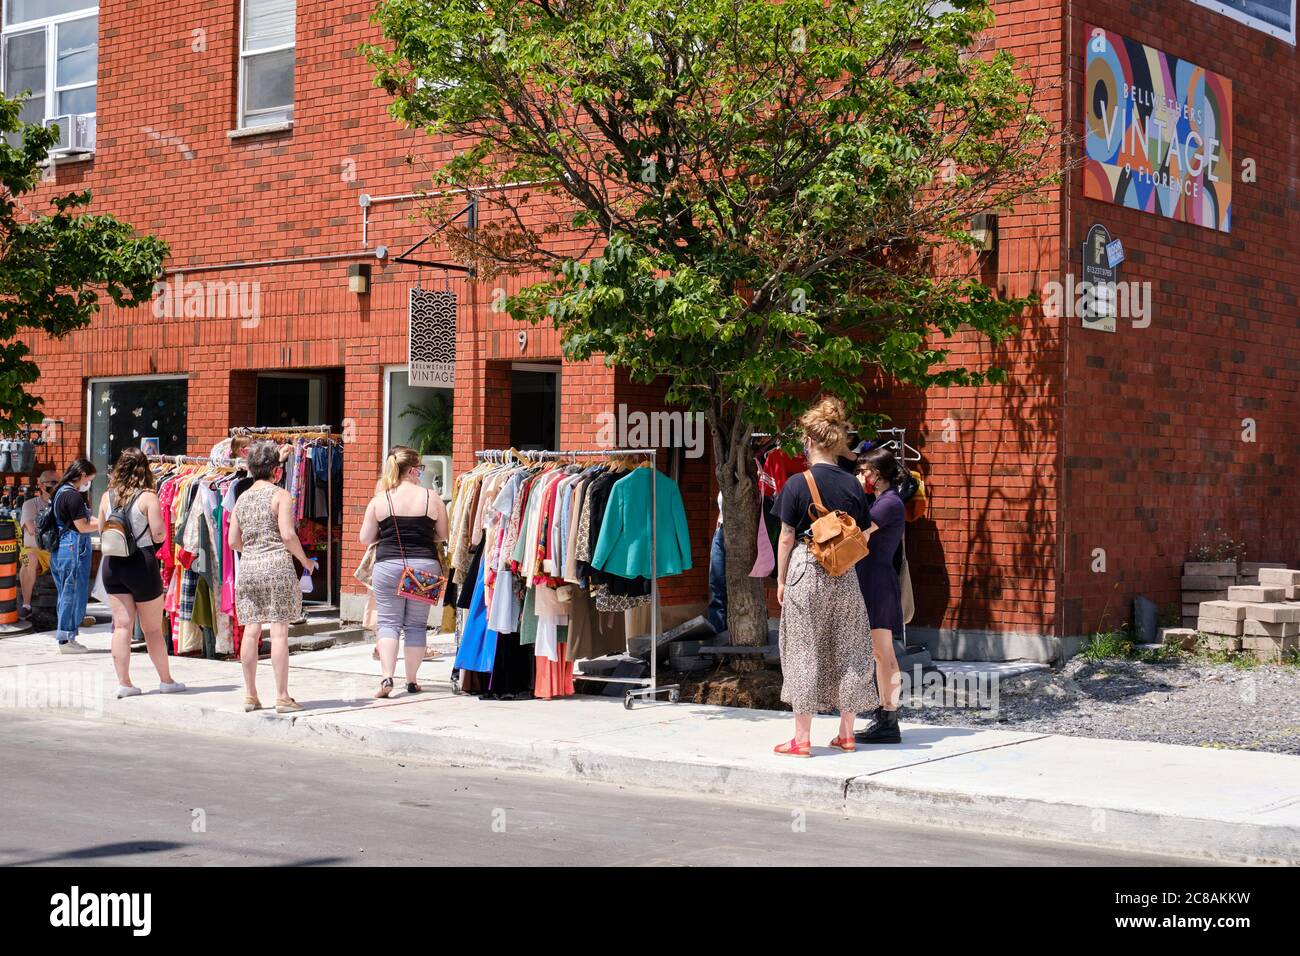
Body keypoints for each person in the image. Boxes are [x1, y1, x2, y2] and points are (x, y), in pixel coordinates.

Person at [772, 397, 876, 757]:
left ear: (809, 443)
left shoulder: (797, 484)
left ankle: (802, 738)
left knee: (802, 649)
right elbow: (862, 532)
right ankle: (846, 733)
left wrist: (782, 580)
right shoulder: (852, 485)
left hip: (805, 568)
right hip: (845, 573)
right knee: (851, 649)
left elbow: (786, 536)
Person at [229, 440, 318, 714]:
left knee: (251, 630)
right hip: (277, 565)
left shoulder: (242, 497)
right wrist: (305, 561)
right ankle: (281, 695)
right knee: (279, 632)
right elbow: (288, 535)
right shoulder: (280, 495)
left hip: (250, 567)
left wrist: (254, 551)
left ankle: (250, 695)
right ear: (277, 471)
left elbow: (233, 540)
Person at [359, 446, 449, 698]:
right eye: (419, 469)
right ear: (411, 470)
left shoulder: (380, 499)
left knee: (388, 623)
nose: (420, 473)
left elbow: (365, 537)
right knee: (416, 626)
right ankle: (411, 680)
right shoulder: (432, 497)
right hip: (424, 565)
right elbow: (443, 535)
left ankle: (387, 677)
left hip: (387, 565)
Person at [96, 448, 186, 699]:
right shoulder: (148, 497)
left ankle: (124, 683)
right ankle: (165, 681)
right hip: (140, 563)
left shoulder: (107, 497)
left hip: (113, 564)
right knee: (152, 629)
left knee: (122, 627)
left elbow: (102, 530)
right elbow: (158, 534)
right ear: (144, 468)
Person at [853, 447, 906, 744]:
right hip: (874, 579)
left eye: (866, 472)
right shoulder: (884, 501)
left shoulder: (888, 504)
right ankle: (887, 714)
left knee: (882, 653)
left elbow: (859, 532)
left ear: (879, 475)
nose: (862, 477)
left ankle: (888, 718)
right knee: (884, 653)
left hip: (876, 582)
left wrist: (858, 495)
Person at [49, 459, 99, 653]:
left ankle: (66, 636)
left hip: (61, 549)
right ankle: (66, 639)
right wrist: (105, 523)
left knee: (65, 593)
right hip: (73, 550)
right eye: (90, 479)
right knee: (72, 594)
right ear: (83, 476)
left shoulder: (60, 493)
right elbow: (83, 526)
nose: (89, 484)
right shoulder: (74, 497)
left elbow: (81, 520)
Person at [18, 470, 58, 619]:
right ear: (41, 486)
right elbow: (31, 528)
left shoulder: (61, 503)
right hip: (33, 550)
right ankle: (26, 606)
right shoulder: (30, 504)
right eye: (53, 483)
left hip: (54, 551)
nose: (56, 486)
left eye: (58, 482)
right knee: (29, 558)